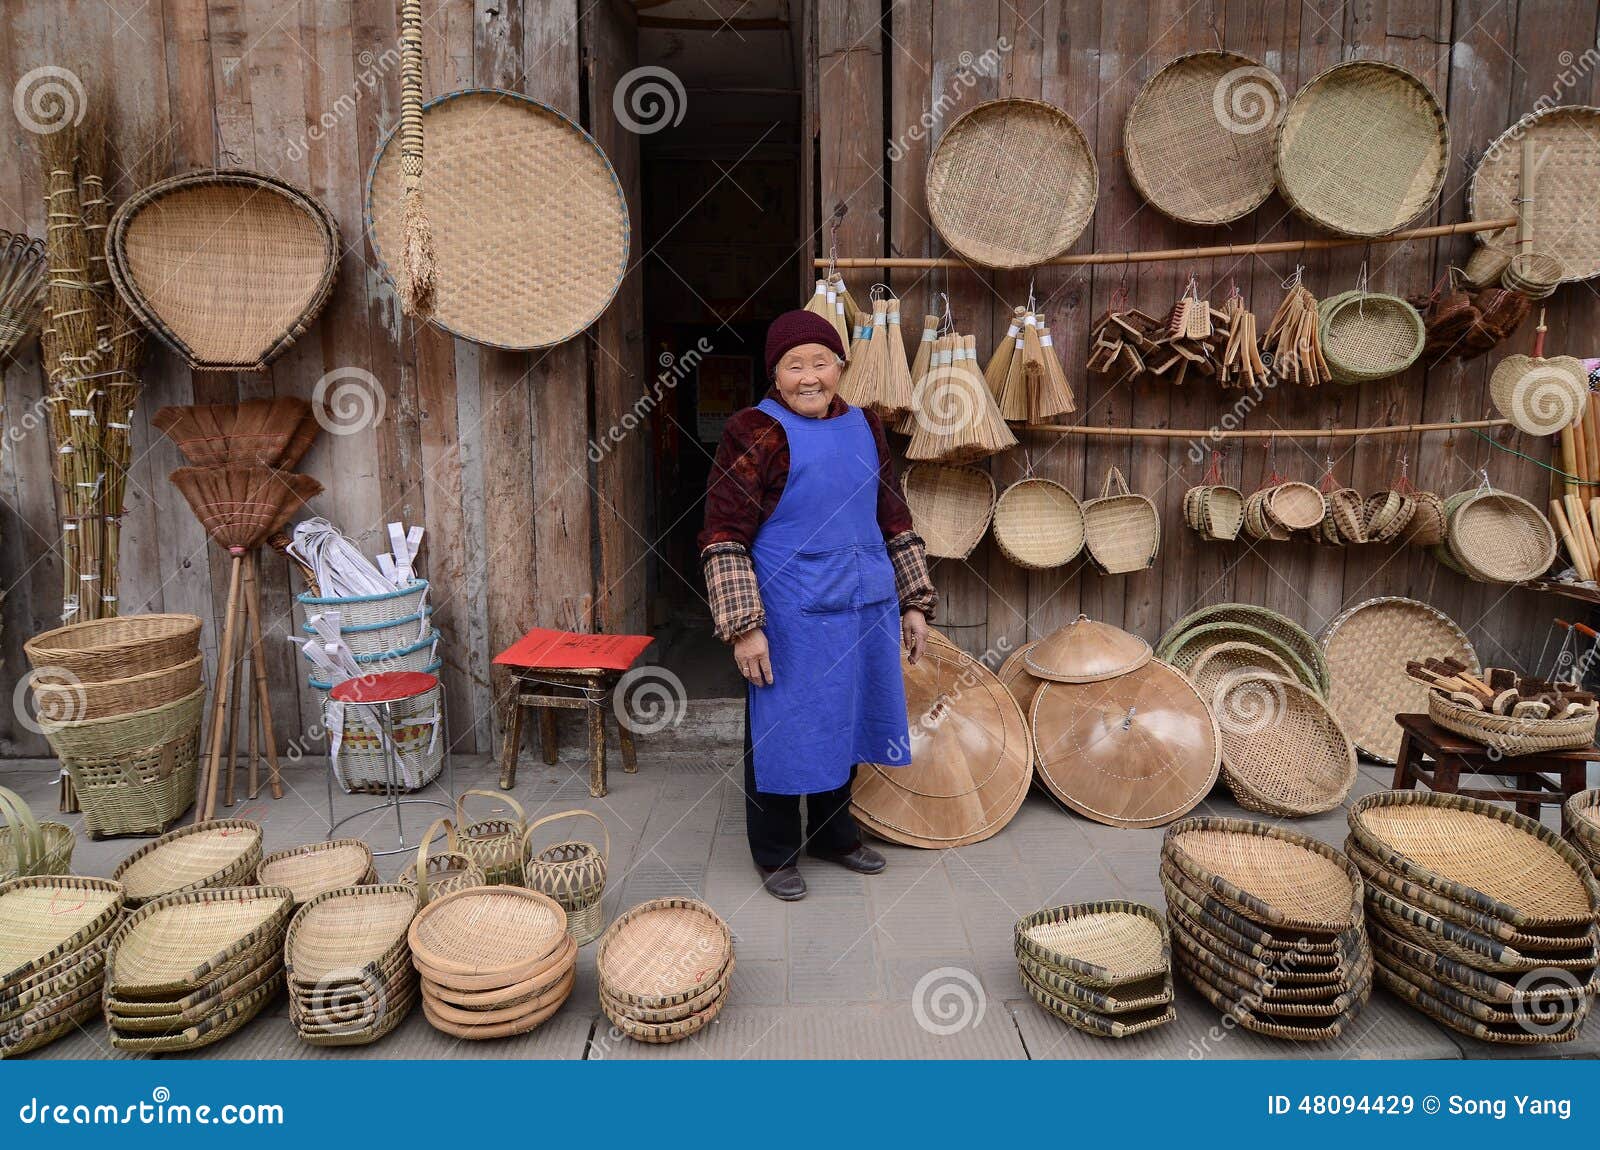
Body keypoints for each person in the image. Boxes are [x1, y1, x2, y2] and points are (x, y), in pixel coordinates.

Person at [698, 308, 936, 901]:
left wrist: (914, 600)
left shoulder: (867, 426)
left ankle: (835, 836)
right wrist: (744, 628)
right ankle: (775, 850)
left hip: (864, 603)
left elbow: (892, 513)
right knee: (784, 724)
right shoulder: (753, 431)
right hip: (788, 611)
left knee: (847, 714)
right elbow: (723, 534)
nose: (809, 377)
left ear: (840, 367)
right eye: (793, 365)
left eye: (820, 362)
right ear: (775, 376)